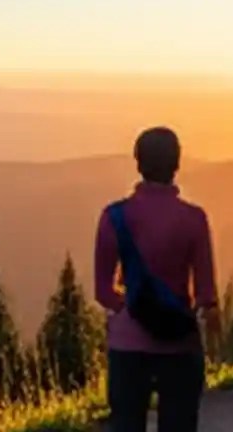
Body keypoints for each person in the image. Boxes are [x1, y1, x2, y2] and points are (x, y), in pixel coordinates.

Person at [94, 126, 220, 432]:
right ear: (177, 164)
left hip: (128, 346)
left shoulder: (114, 217)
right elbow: (205, 295)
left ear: (138, 163)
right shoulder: (194, 219)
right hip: (180, 345)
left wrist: (132, 311)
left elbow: (103, 291)